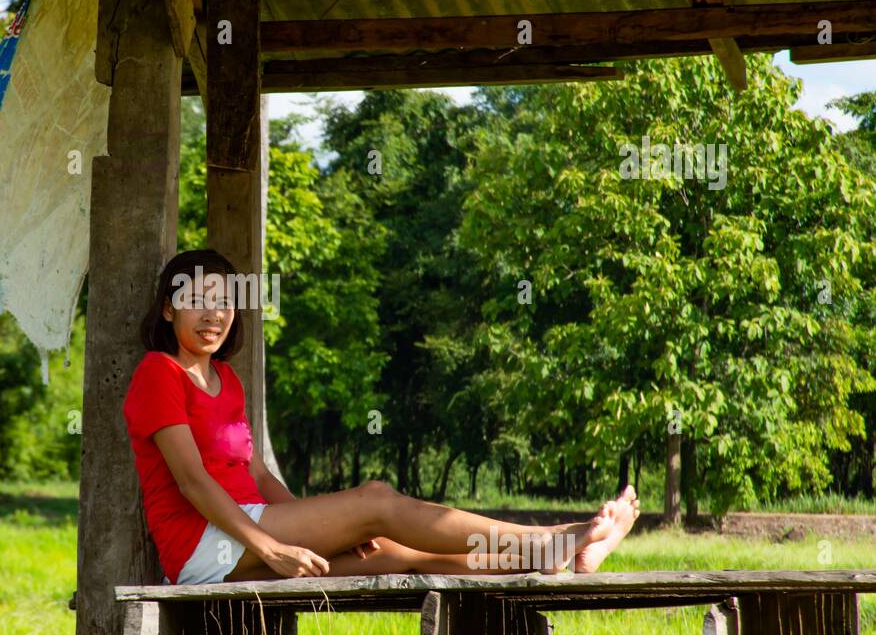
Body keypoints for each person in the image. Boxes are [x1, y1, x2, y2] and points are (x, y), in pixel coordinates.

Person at [122, 249, 640, 586]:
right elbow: (192, 482)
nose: (213, 314)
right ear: (169, 309)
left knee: (395, 551)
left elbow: (255, 476)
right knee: (376, 498)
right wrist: (275, 547)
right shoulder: (159, 373)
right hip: (204, 547)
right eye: (196, 301)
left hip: (248, 532)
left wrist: (326, 529)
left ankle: (550, 560)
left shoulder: (227, 381)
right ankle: (553, 536)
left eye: (224, 302)